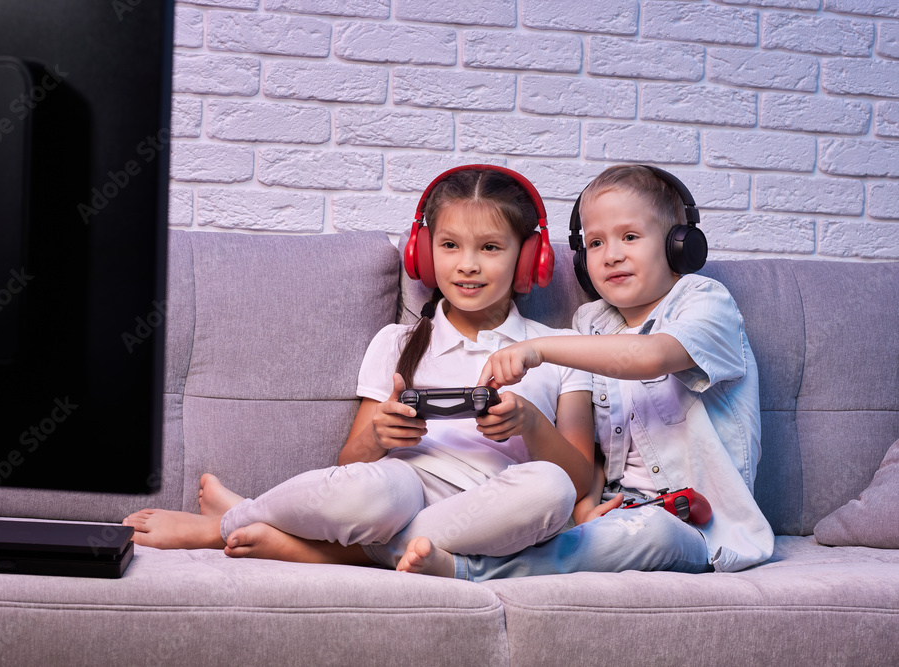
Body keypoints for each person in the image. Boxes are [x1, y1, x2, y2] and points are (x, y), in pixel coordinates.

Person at [123, 166, 595, 568]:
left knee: (549, 487)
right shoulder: (398, 342)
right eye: (450, 246)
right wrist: (380, 436)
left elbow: (575, 482)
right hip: (405, 487)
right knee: (378, 491)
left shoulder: (563, 348)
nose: (467, 265)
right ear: (425, 252)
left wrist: (530, 423)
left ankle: (261, 530)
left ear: (530, 258)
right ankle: (237, 522)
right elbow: (350, 464)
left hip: (496, 507)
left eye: (490, 248)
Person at [396, 164, 775, 580]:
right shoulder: (590, 322)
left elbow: (650, 356)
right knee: (556, 519)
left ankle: (465, 568)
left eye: (630, 237)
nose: (611, 254)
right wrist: (584, 509)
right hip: (617, 508)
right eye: (595, 243)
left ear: (678, 247)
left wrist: (538, 349)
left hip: (701, 527)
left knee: (652, 533)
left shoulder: (705, 302)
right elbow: (592, 448)